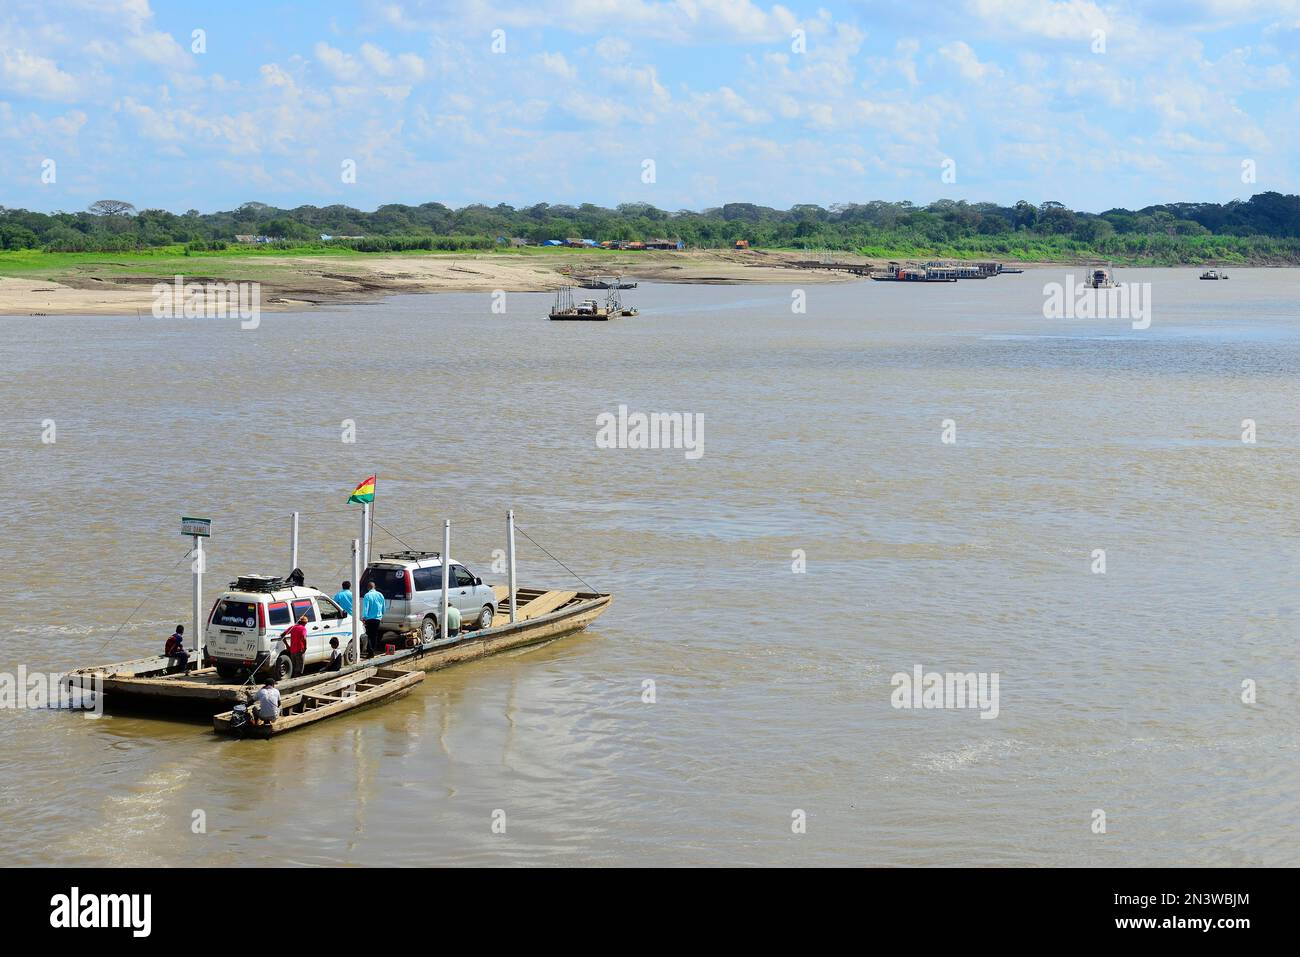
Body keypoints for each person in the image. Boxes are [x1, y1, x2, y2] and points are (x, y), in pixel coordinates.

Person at [361, 581, 386, 657]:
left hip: (369, 618)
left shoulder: (367, 595)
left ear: (368, 587)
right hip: (377, 618)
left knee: (368, 635)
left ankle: (370, 651)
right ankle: (373, 651)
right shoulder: (380, 595)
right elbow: (383, 607)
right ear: (374, 587)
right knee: (374, 635)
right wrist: (381, 615)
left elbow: (366, 607)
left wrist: (364, 617)